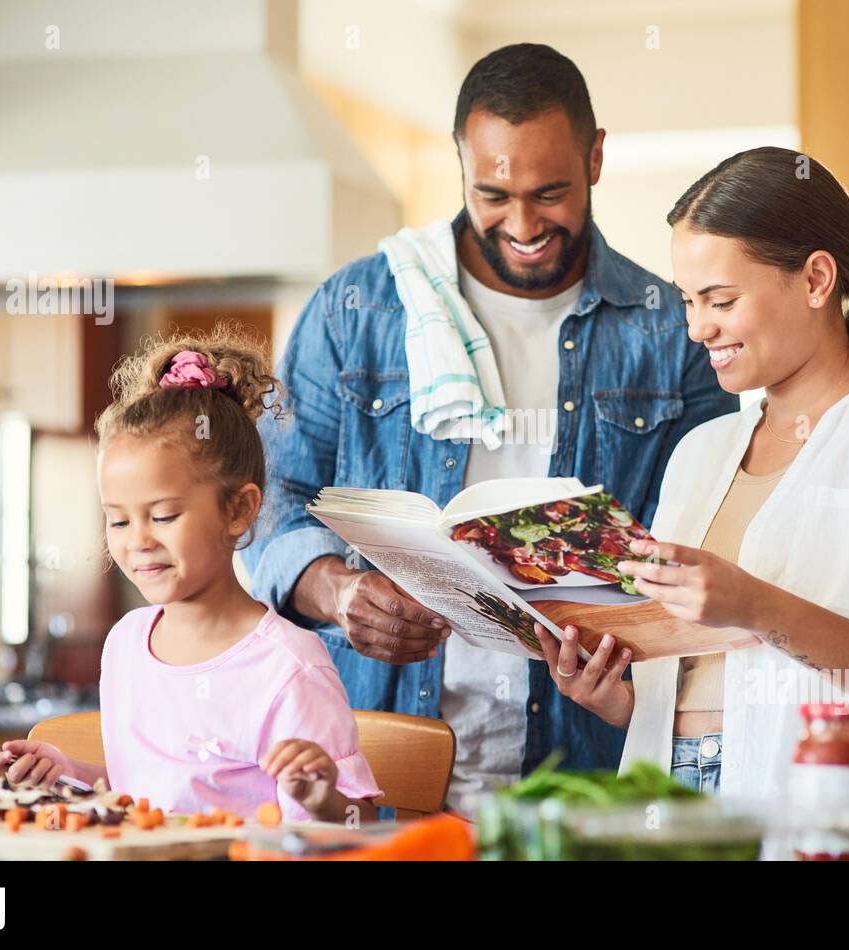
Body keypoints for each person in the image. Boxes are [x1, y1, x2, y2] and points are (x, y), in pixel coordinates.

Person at [243, 44, 736, 811]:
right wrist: (337, 590)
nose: (524, 224)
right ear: (460, 163)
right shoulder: (356, 311)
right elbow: (269, 501)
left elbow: (710, 542)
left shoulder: (671, 331)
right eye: (494, 193)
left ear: (597, 157)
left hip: (586, 765)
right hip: (377, 761)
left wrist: (633, 626)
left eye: (550, 193)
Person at [534, 147, 849, 840]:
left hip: (842, 818)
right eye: (690, 302)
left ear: (816, 278)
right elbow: (719, 685)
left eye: (721, 301)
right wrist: (619, 698)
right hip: (680, 807)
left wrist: (753, 604)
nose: (698, 329)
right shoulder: (702, 452)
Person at [0, 327, 382, 824]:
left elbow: (361, 829)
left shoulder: (288, 668)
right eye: (118, 520)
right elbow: (147, 792)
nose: (138, 541)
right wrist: (69, 773)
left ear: (238, 510)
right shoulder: (126, 643)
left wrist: (321, 798)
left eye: (165, 516)